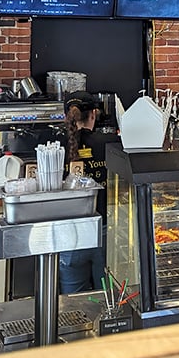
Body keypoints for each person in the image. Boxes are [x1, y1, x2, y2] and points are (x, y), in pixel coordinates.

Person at [58, 91, 107, 294]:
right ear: (94, 114)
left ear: (65, 116)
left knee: (73, 304)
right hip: (104, 233)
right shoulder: (109, 144)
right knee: (109, 299)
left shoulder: (53, 148)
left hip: (70, 236)